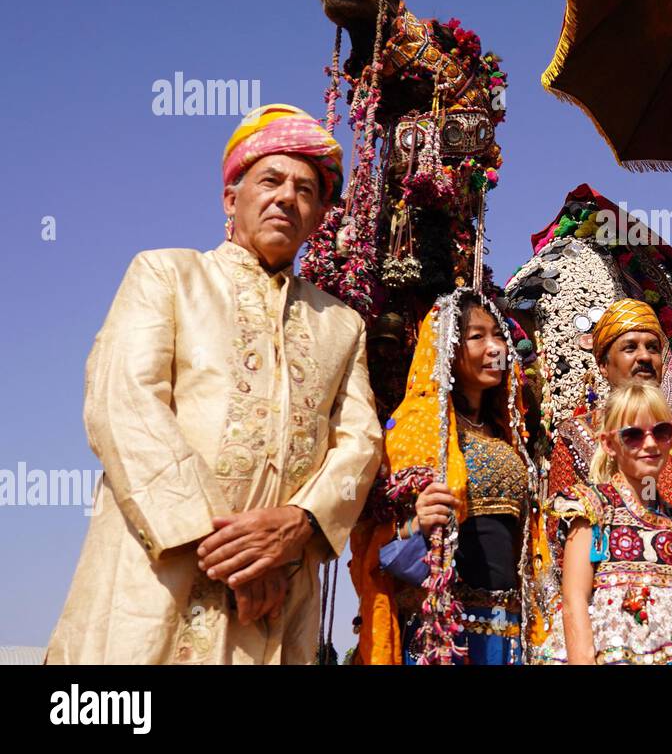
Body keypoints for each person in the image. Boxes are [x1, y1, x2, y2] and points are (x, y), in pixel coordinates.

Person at [46, 104, 383, 664]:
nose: (286, 198)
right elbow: (124, 405)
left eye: (305, 190)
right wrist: (232, 555)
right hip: (165, 570)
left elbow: (360, 443)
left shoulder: (340, 324)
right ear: (232, 198)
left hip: (284, 581)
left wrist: (296, 529)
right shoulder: (168, 275)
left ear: (319, 215)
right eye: (270, 180)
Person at [350, 289, 544, 664]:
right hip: (442, 631)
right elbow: (367, 531)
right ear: (447, 348)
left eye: (499, 336)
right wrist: (412, 523)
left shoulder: (508, 435)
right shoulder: (412, 431)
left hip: (511, 630)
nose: (496, 348)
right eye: (477, 337)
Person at [537, 383, 672, 664]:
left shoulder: (671, 520)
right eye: (634, 435)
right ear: (609, 444)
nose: (650, 444)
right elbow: (574, 598)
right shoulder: (592, 506)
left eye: (660, 432)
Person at [546, 299, 672, 520]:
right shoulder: (574, 433)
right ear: (604, 365)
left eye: (652, 347)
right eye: (630, 347)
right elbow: (558, 530)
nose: (644, 356)